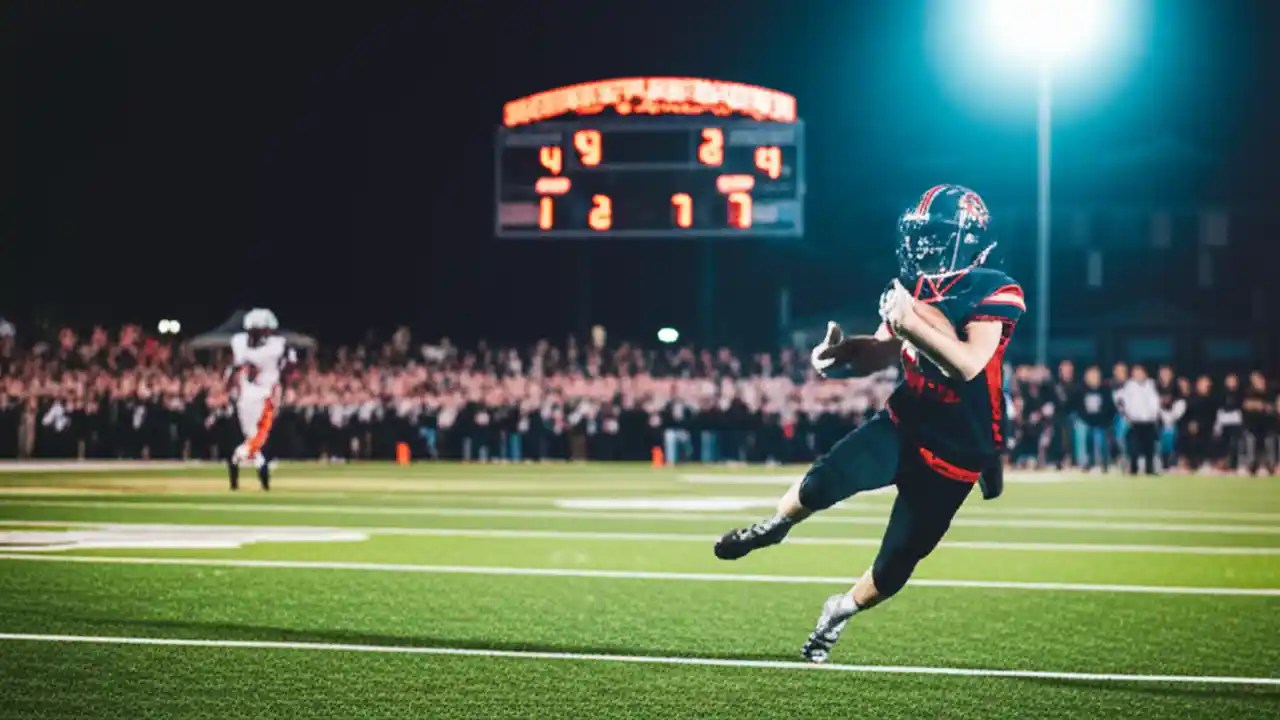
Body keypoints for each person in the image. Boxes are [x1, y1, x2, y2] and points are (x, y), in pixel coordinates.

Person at [711, 185, 1022, 663]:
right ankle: (775, 525)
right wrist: (842, 356)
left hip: (958, 450)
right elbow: (882, 350)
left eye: (934, 236)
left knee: (896, 564)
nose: (922, 247)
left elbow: (969, 364)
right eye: (918, 236)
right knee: (823, 482)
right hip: (906, 423)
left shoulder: (994, 287)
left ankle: (837, 612)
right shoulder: (913, 287)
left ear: (966, 236)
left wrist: (913, 323)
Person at [226, 308, 295, 490]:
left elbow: (234, 370)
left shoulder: (240, 343)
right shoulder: (276, 346)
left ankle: (237, 467)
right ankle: (240, 460)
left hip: (248, 396)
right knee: (256, 439)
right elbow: (290, 364)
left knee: (254, 438)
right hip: (261, 396)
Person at [1115, 364, 1160, 475]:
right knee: (1133, 448)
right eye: (1135, 373)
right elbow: (1122, 403)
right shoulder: (1129, 386)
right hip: (1135, 422)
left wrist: (1154, 415)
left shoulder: (1151, 385)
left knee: (1150, 448)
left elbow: (1156, 402)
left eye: (1140, 372)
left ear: (1145, 373)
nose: (1138, 375)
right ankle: (1133, 469)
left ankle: (1150, 469)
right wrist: (1127, 417)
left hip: (1149, 421)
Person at [1075, 365, 1116, 472]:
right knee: (1080, 429)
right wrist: (1088, 420)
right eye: (1090, 376)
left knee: (1100, 434)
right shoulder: (1080, 391)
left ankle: (1102, 462)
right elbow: (1077, 409)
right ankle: (1083, 462)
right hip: (1086, 421)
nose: (1093, 378)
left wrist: (1102, 421)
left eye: (1095, 375)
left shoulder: (1105, 391)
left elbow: (1110, 409)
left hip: (1101, 422)